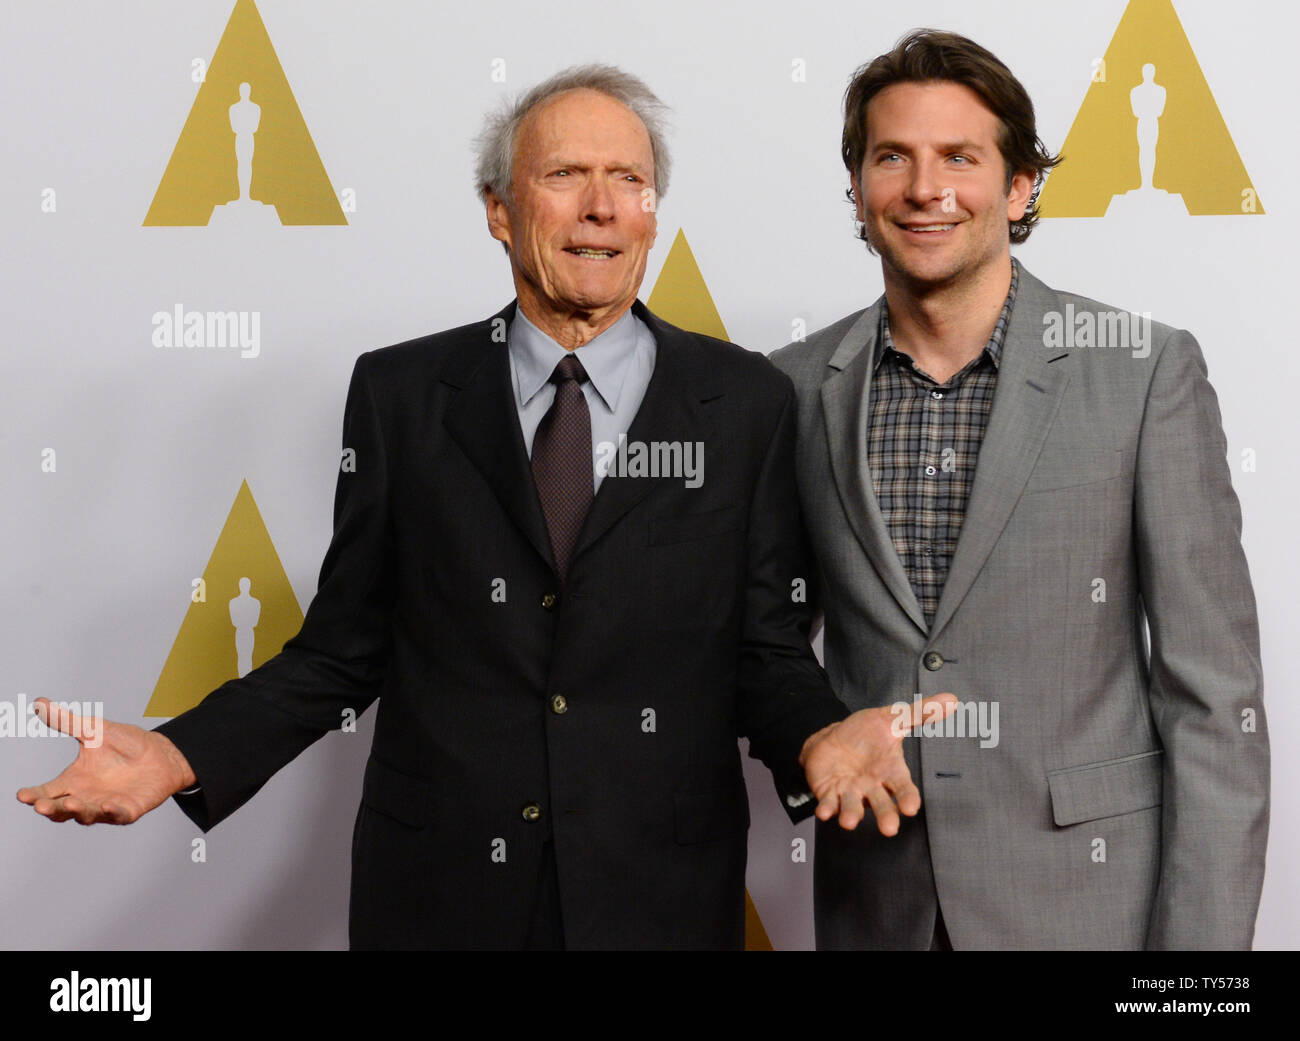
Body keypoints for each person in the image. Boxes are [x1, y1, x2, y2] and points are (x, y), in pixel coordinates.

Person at [18, 64, 953, 950]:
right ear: (501, 212)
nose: (601, 207)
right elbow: (344, 648)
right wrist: (179, 756)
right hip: (437, 895)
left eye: (628, 179)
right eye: (565, 176)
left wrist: (820, 731)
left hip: (656, 900)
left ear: (651, 213)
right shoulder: (401, 394)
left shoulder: (745, 403)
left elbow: (764, 650)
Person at [770, 30, 1269, 950]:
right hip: (876, 906)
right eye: (893, 158)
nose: (927, 189)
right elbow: (758, 640)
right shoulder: (793, 388)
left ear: (1019, 185)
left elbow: (1215, 703)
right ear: (857, 186)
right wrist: (813, 744)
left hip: (1088, 910)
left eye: (961, 156)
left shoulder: (1144, 373)